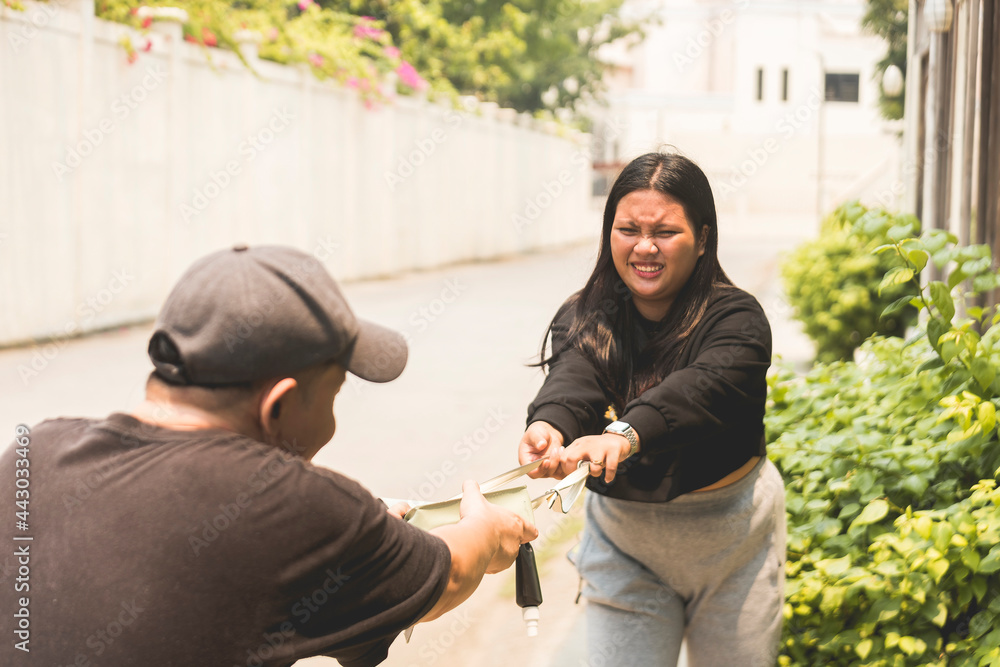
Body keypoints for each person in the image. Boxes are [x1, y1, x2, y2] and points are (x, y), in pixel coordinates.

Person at [1, 245, 536, 667]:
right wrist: (488, 528)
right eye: (334, 395)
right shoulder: (295, 505)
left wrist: (361, 539)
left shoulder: (33, 454)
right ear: (277, 405)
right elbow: (453, 573)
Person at [518, 152, 786, 666]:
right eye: (628, 230)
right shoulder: (586, 314)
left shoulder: (738, 319)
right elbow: (574, 376)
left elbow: (701, 389)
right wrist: (549, 425)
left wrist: (623, 435)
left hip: (734, 547)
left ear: (702, 239)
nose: (644, 247)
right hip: (626, 549)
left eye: (665, 232)